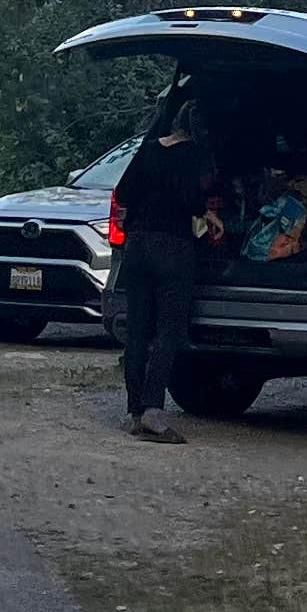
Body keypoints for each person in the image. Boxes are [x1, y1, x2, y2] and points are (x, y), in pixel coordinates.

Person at [112, 93, 218, 442]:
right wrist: (208, 214)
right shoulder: (194, 156)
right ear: (199, 129)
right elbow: (192, 199)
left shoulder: (148, 149)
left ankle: (133, 411)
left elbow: (123, 193)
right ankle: (154, 412)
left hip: (137, 247)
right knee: (169, 331)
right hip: (172, 249)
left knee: (138, 331)